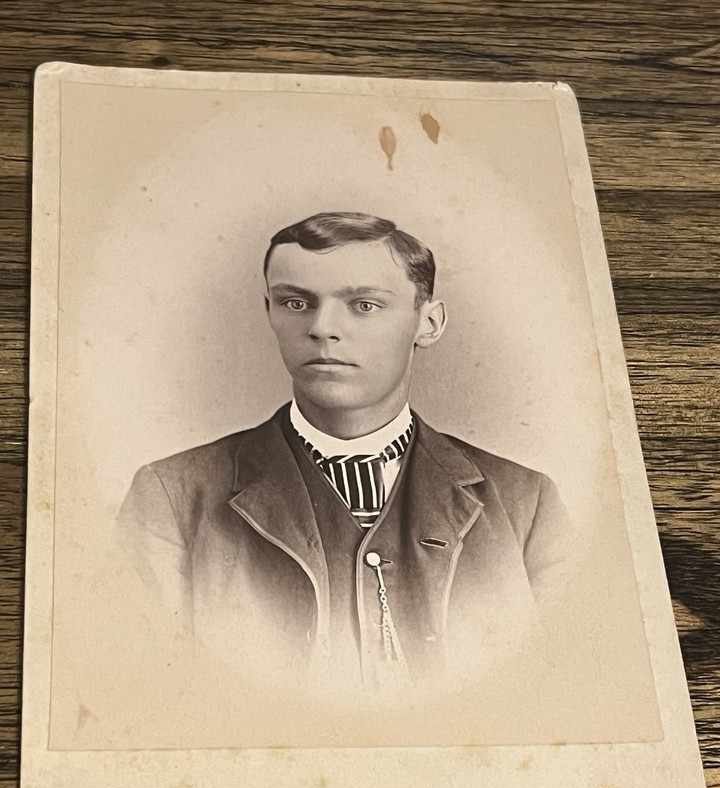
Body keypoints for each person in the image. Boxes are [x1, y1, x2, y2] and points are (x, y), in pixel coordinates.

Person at [118, 212, 571, 696]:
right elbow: (154, 697)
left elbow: (558, 695)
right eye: (295, 302)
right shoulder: (172, 497)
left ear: (429, 322)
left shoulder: (526, 504)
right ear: (268, 311)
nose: (322, 328)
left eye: (364, 305)